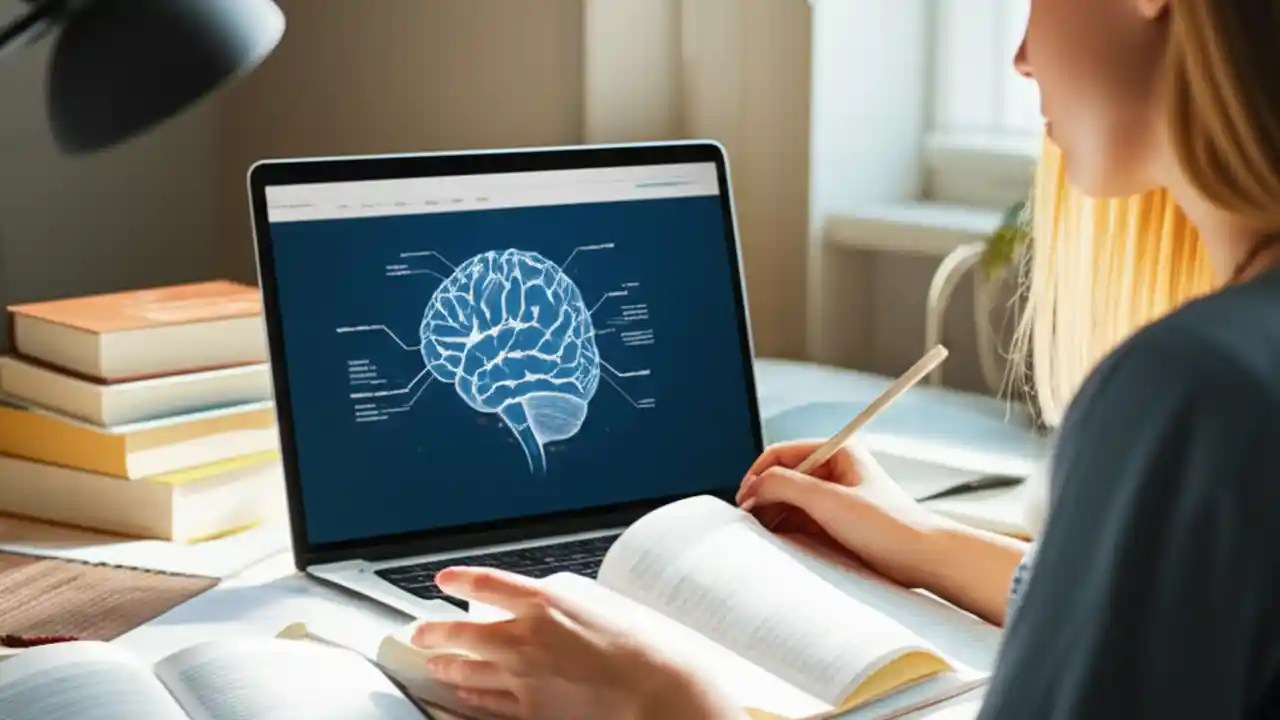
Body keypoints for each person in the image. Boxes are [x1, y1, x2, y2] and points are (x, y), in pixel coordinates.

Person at [409, 0, 1280, 717]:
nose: (1020, 57)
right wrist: (928, 546)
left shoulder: (1197, 394)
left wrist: (662, 702)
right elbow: (1187, 633)